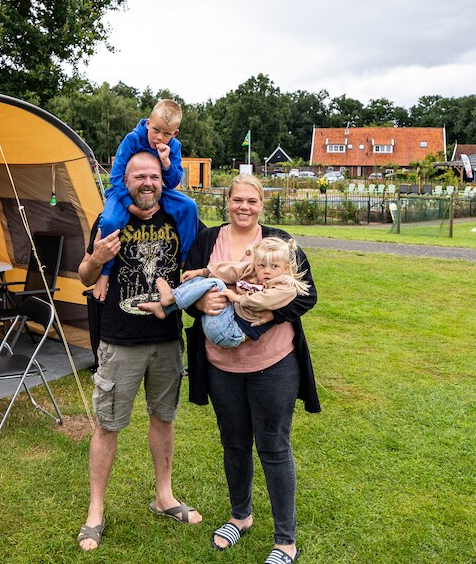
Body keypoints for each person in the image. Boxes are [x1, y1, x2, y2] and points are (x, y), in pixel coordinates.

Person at [185, 174, 319, 564]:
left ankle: (285, 541)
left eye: (252, 201)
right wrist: (199, 307)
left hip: (273, 364)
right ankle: (240, 516)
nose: (244, 207)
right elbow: (192, 286)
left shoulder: (281, 242)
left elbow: (306, 295)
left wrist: (265, 315)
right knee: (234, 444)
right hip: (221, 365)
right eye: (237, 199)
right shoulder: (208, 240)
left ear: (262, 205)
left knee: (274, 447)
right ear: (226, 201)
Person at [76, 150, 202, 552]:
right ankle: (95, 510)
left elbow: (198, 267)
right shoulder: (111, 217)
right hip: (120, 340)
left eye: (153, 175)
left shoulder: (179, 217)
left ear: (163, 179)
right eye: (138, 176)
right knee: (108, 425)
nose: (147, 182)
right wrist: (97, 259)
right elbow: (85, 274)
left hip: (166, 340)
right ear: (125, 181)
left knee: (163, 419)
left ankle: (164, 496)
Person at [91, 99, 199, 301]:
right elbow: (115, 177)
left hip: (158, 190)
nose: (159, 138)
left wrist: (166, 161)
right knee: (110, 222)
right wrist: (131, 206)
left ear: (174, 134)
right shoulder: (132, 139)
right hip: (123, 191)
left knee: (188, 206)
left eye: (166, 134)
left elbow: (173, 181)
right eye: (156, 130)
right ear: (148, 123)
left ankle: (186, 263)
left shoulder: (173, 146)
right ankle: (105, 273)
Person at [136, 236, 311, 348]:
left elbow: (263, 300)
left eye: (274, 266)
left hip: (232, 333)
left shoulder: (285, 284)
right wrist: (201, 272)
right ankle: (165, 308)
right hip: (225, 323)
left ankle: (171, 297)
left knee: (217, 284)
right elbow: (231, 269)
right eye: (262, 265)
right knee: (204, 281)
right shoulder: (253, 270)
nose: (266, 271)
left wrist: (236, 297)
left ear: (285, 267)